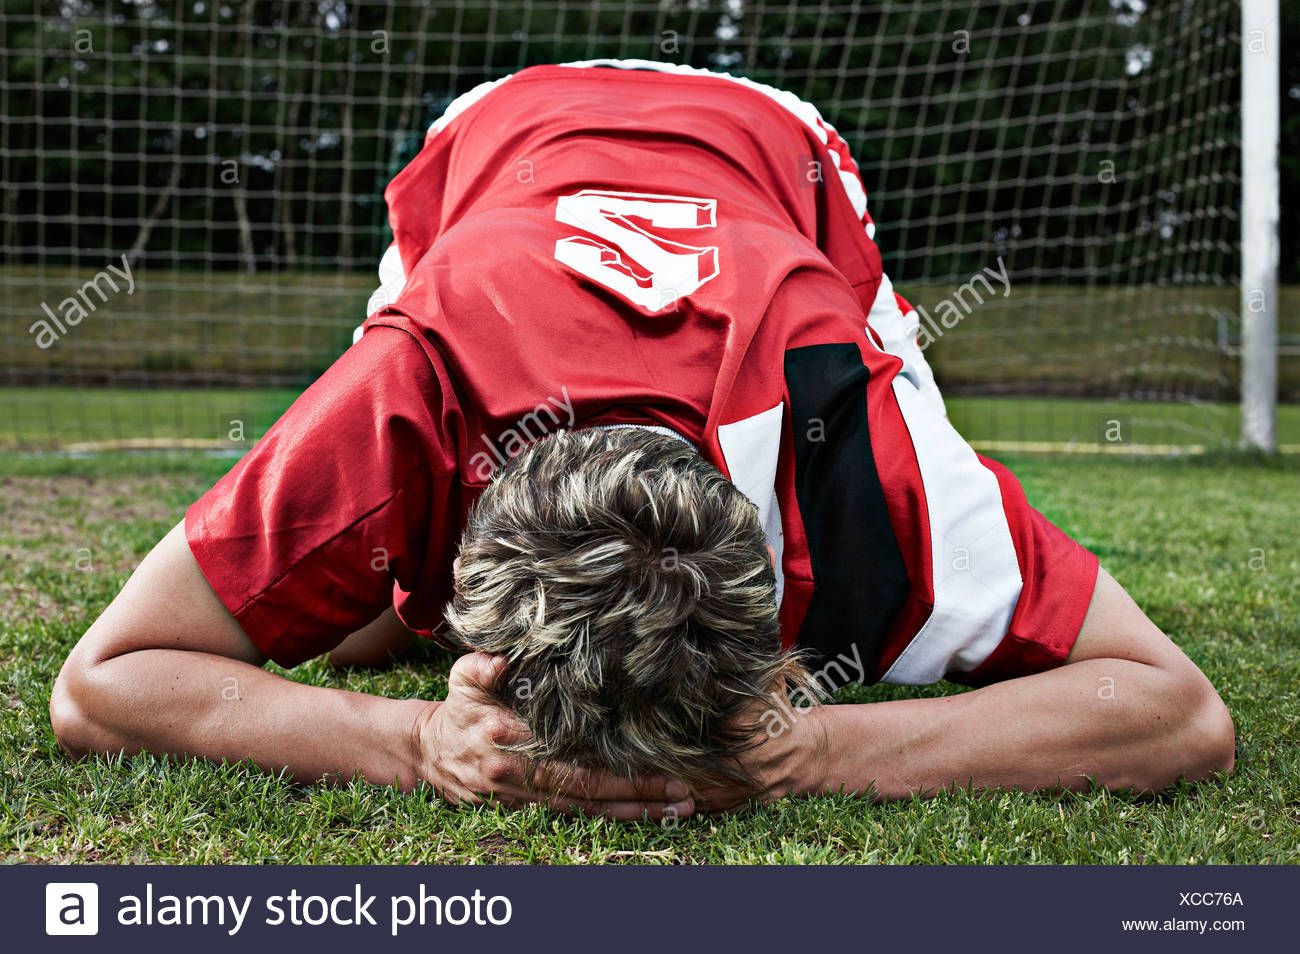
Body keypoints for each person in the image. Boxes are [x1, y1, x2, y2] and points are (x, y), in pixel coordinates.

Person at [50, 60, 1234, 821]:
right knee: (369, 634)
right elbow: (100, 688)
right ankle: (398, 593)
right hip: (497, 133)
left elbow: (1178, 714)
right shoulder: (402, 391)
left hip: (776, 149)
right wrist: (416, 739)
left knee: (354, 632)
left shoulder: (857, 426)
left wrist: (814, 752)